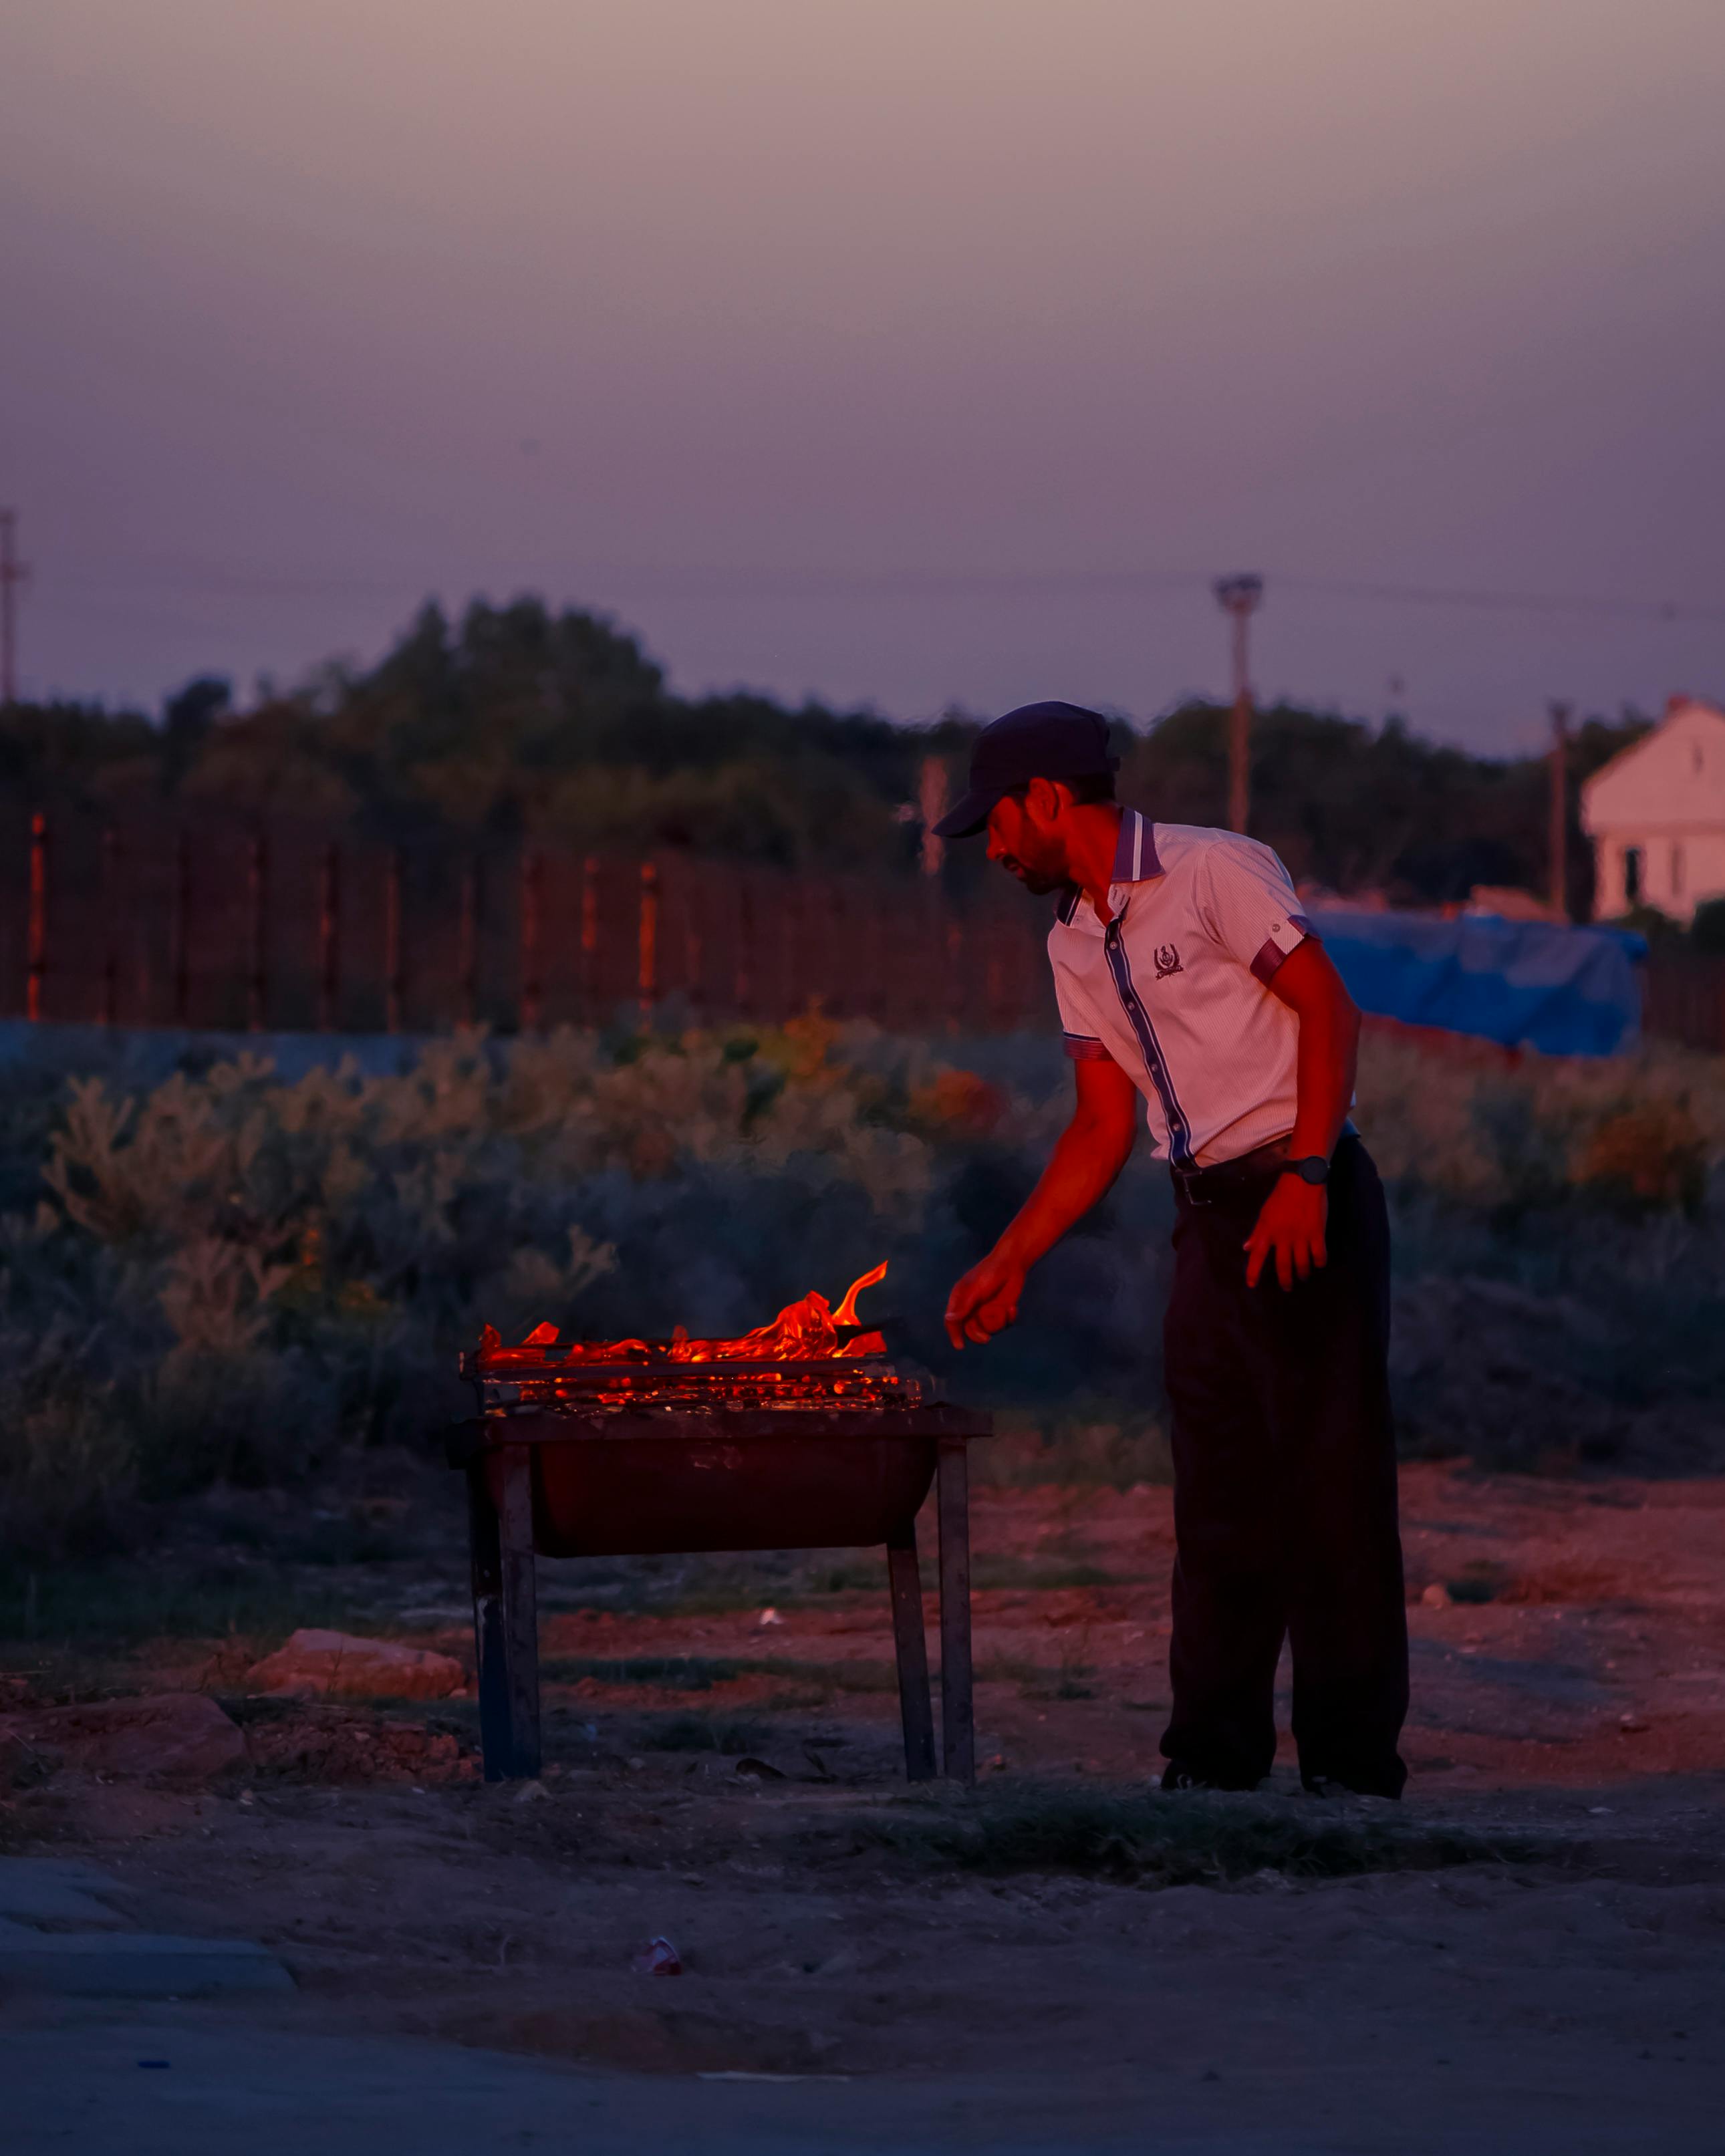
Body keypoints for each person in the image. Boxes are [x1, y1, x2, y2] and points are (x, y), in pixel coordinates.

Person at [936, 702, 1408, 1798]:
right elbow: (1101, 1122)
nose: (992, 847)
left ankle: (1350, 1775)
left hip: (1301, 1193)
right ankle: (1211, 1761)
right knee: (1220, 1499)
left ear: (1048, 799)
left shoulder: (1212, 871)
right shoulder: (1068, 938)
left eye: (996, 823)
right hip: (1203, 1217)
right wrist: (1011, 1256)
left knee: (1329, 1491)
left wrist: (1307, 1174)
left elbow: (1329, 1016)